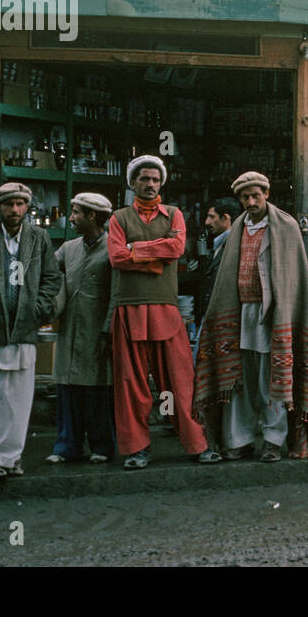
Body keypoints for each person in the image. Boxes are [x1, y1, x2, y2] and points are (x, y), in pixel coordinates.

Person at [195, 171, 308, 461]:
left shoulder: (286, 226)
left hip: (273, 316)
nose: (251, 201)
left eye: (256, 195)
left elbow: (294, 278)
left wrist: (284, 311)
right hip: (241, 312)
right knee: (240, 379)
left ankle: (272, 440)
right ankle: (239, 439)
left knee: (272, 379)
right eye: (245, 197)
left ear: (266, 194)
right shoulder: (238, 230)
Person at [108, 156, 216, 469]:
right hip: (128, 308)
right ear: (133, 182)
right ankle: (137, 449)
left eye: (155, 179)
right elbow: (116, 256)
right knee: (132, 384)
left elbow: (177, 249)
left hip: (166, 308)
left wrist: (136, 252)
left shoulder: (174, 215)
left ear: (161, 182)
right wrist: (156, 258)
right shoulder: (119, 218)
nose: (150, 184)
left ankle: (197, 444)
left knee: (180, 381)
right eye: (144, 178)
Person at [0, 182, 62, 479]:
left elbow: (51, 278)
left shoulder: (38, 238)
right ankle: (3, 455)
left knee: (15, 398)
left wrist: (38, 307)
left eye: (19, 204)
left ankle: (0, 458)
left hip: (23, 329)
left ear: (27, 207)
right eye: (9, 204)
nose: (15, 210)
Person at [47, 193, 115, 464]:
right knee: (68, 389)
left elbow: (117, 295)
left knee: (97, 390)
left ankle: (102, 446)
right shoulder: (68, 247)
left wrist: (107, 331)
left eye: (76, 213)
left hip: (97, 330)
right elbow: (51, 273)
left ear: (93, 217)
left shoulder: (114, 249)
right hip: (70, 329)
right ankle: (67, 447)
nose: (72, 217)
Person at [199, 198, 239, 327]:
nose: (207, 222)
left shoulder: (236, 244)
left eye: (212, 217)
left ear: (225, 219)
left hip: (225, 319)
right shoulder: (219, 243)